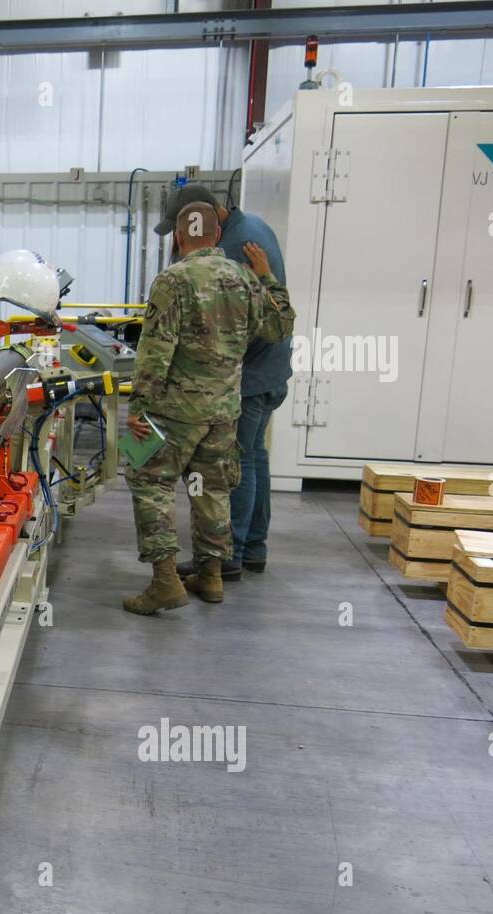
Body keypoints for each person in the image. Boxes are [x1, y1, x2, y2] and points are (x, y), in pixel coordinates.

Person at [123, 201, 295, 615]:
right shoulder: (242, 277)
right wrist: (268, 277)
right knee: (211, 489)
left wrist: (138, 408)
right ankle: (212, 575)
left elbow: (155, 351)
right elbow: (279, 326)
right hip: (224, 413)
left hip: (173, 411)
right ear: (217, 236)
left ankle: (165, 581)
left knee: (149, 481)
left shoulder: (172, 280)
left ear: (180, 237)